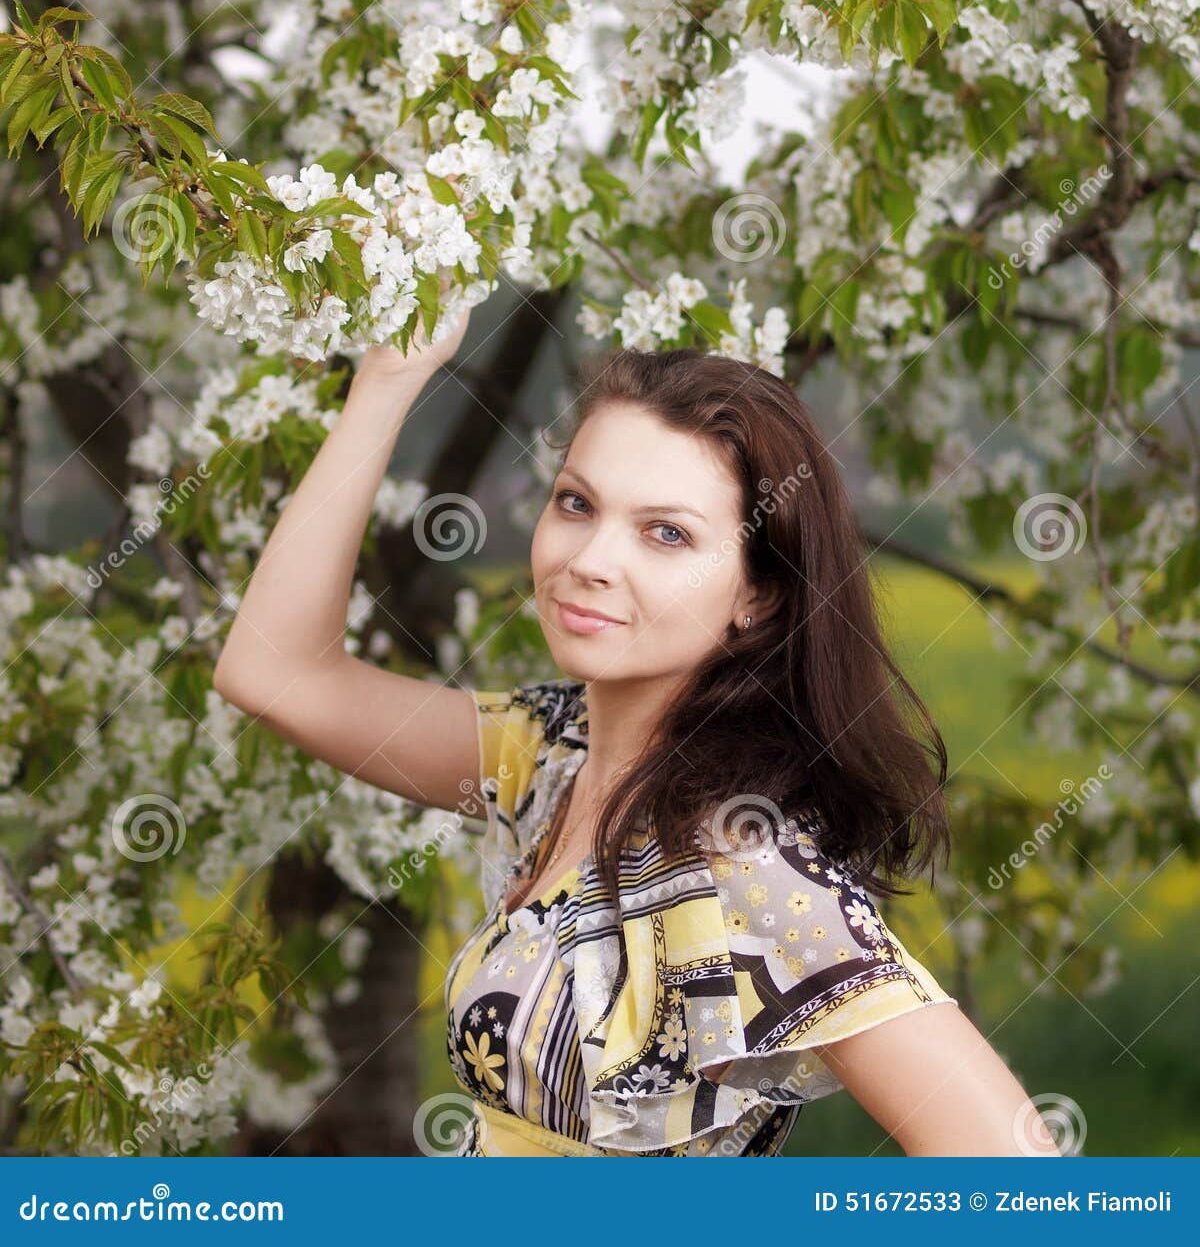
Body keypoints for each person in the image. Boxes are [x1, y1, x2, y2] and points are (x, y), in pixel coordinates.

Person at [214, 297, 1061, 1158]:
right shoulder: (547, 753)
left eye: (666, 534)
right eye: (577, 504)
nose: (590, 562)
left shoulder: (743, 860)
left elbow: (1015, 1176)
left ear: (756, 594)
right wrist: (389, 381)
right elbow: (277, 670)